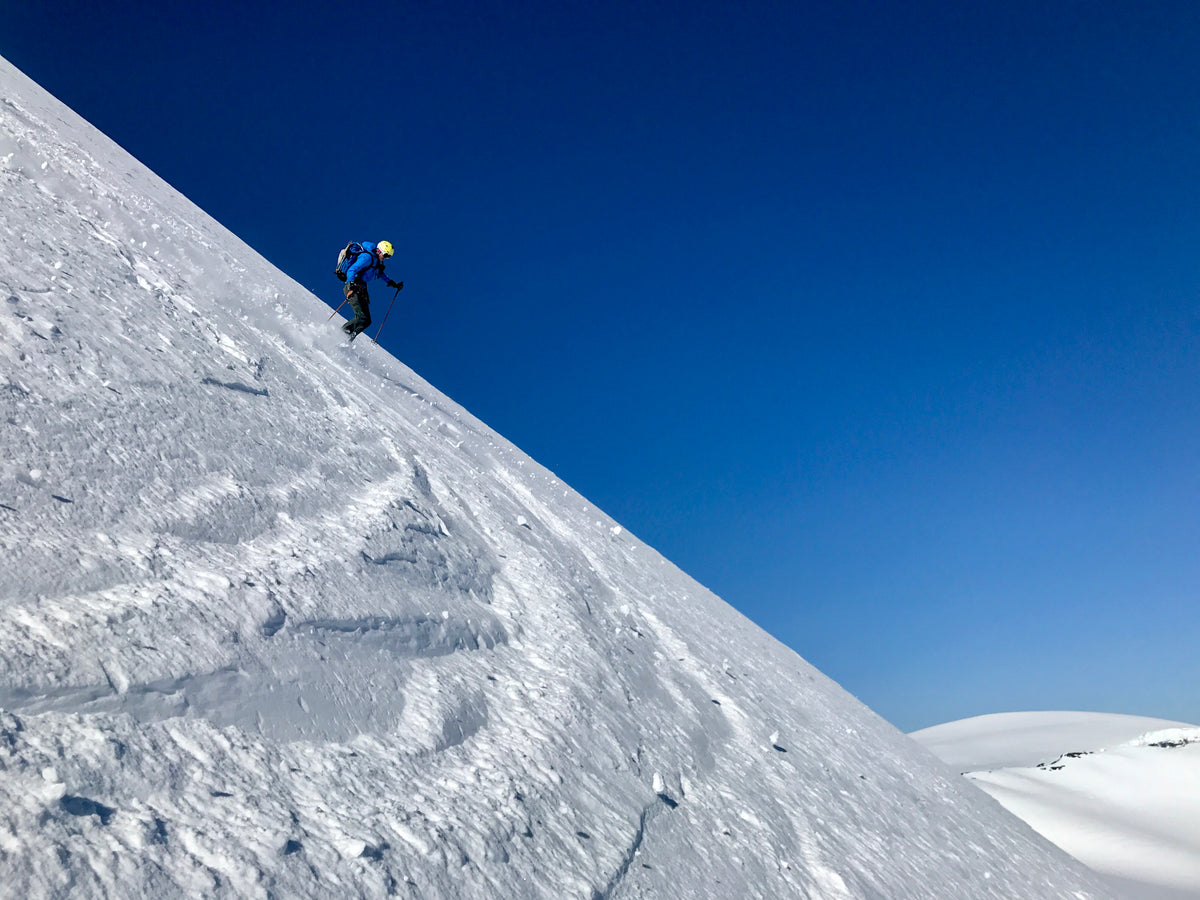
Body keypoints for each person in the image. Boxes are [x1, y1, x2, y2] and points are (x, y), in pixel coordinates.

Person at [336, 240, 403, 338]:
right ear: (379, 251)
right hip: (353, 287)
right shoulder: (367, 257)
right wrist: (350, 284)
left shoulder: (376, 263)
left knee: (367, 320)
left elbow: (380, 274)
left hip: (361, 289)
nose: (386, 258)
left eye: (388, 257)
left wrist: (393, 284)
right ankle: (339, 335)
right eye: (386, 255)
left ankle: (347, 339)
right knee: (362, 318)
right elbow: (352, 270)